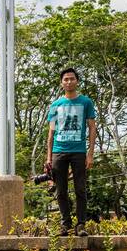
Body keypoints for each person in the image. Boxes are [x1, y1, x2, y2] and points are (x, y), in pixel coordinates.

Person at [45, 67, 96, 235]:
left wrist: (90, 153)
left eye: (72, 79)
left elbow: (92, 128)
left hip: (79, 151)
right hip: (59, 151)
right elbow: (51, 132)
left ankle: (81, 225)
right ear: (61, 83)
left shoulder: (86, 102)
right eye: (65, 79)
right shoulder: (55, 105)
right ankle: (65, 224)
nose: (69, 81)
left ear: (77, 81)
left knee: (80, 189)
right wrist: (49, 157)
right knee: (61, 191)